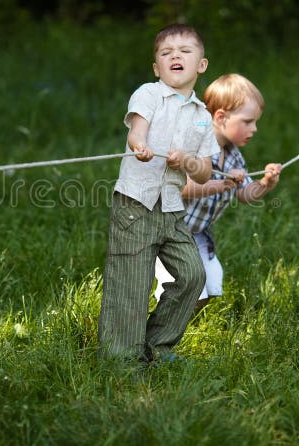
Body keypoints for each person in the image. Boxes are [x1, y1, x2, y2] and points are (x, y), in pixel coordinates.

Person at [98, 24, 220, 364]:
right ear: (157, 68)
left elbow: (206, 171)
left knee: (193, 274)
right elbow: (137, 132)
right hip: (135, 204)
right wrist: (141, 146)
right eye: (166, 53)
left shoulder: (202, 117)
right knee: (131, 284)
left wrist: (190, 161)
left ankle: (156, 346)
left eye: (184, 51)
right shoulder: (148, 95)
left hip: (171, 208)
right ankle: (119, 359)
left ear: (201, 65)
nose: (175, 56)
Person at [153, 73, 282, 313]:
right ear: (221, 117)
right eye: (248, 121)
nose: (254, 129)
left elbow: (245, 194)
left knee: (212, 283)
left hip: (198, 233)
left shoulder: (233, 155)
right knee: (187, 286)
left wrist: (266, 182)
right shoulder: (195, 147)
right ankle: (160, 333)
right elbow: (179, 188)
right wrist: (217, 185)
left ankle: (179, 329)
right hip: (169, 231)